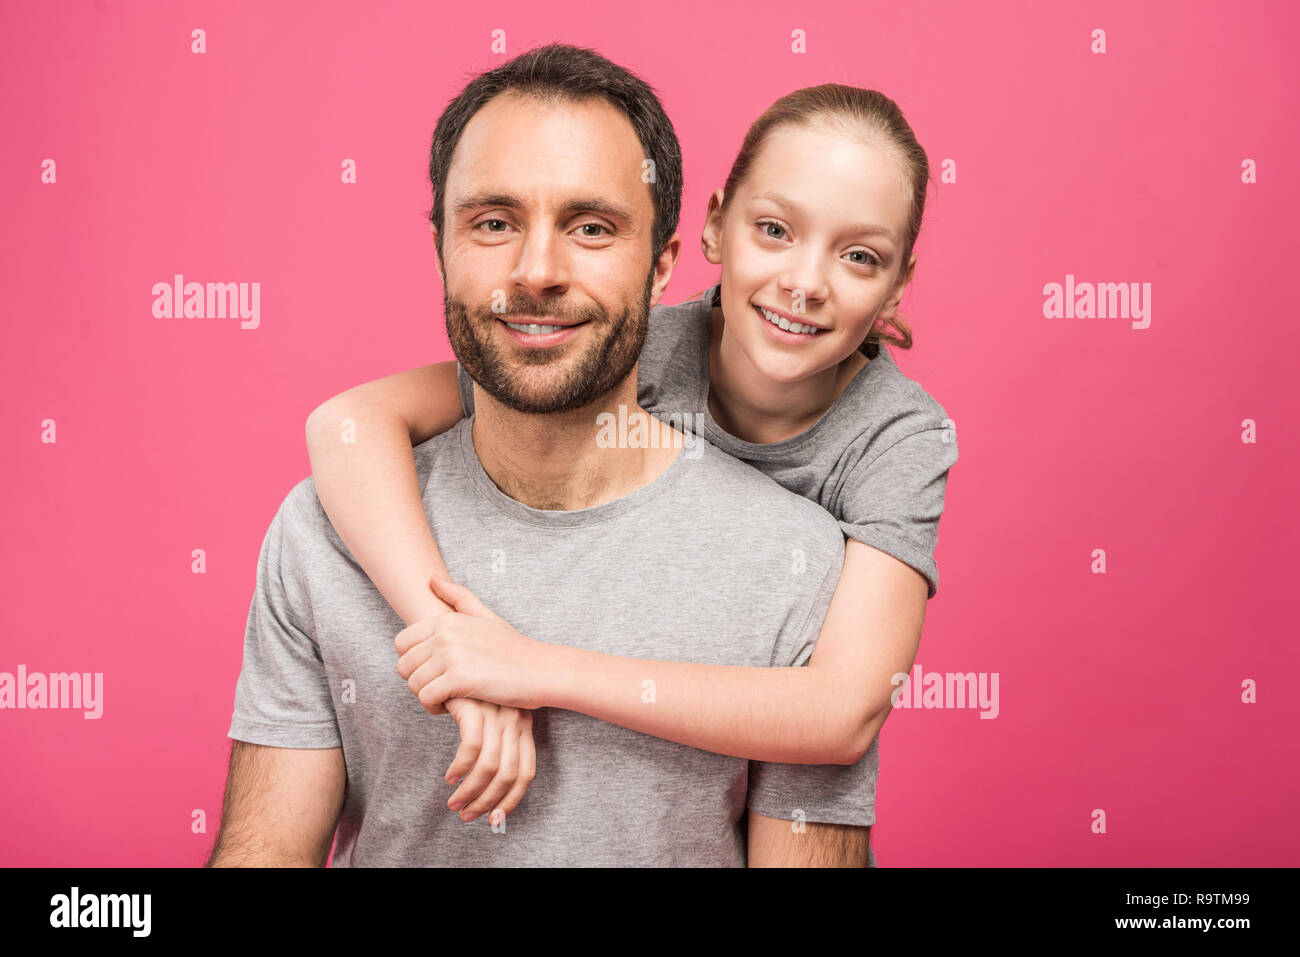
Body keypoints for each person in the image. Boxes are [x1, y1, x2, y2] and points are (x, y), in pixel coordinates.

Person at [209, 43, 877, 868]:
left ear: (663, 264)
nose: (536, 272)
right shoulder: (326, 529)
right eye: (493, 223)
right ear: (440, 249)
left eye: (591, 227)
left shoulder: (797, 563)